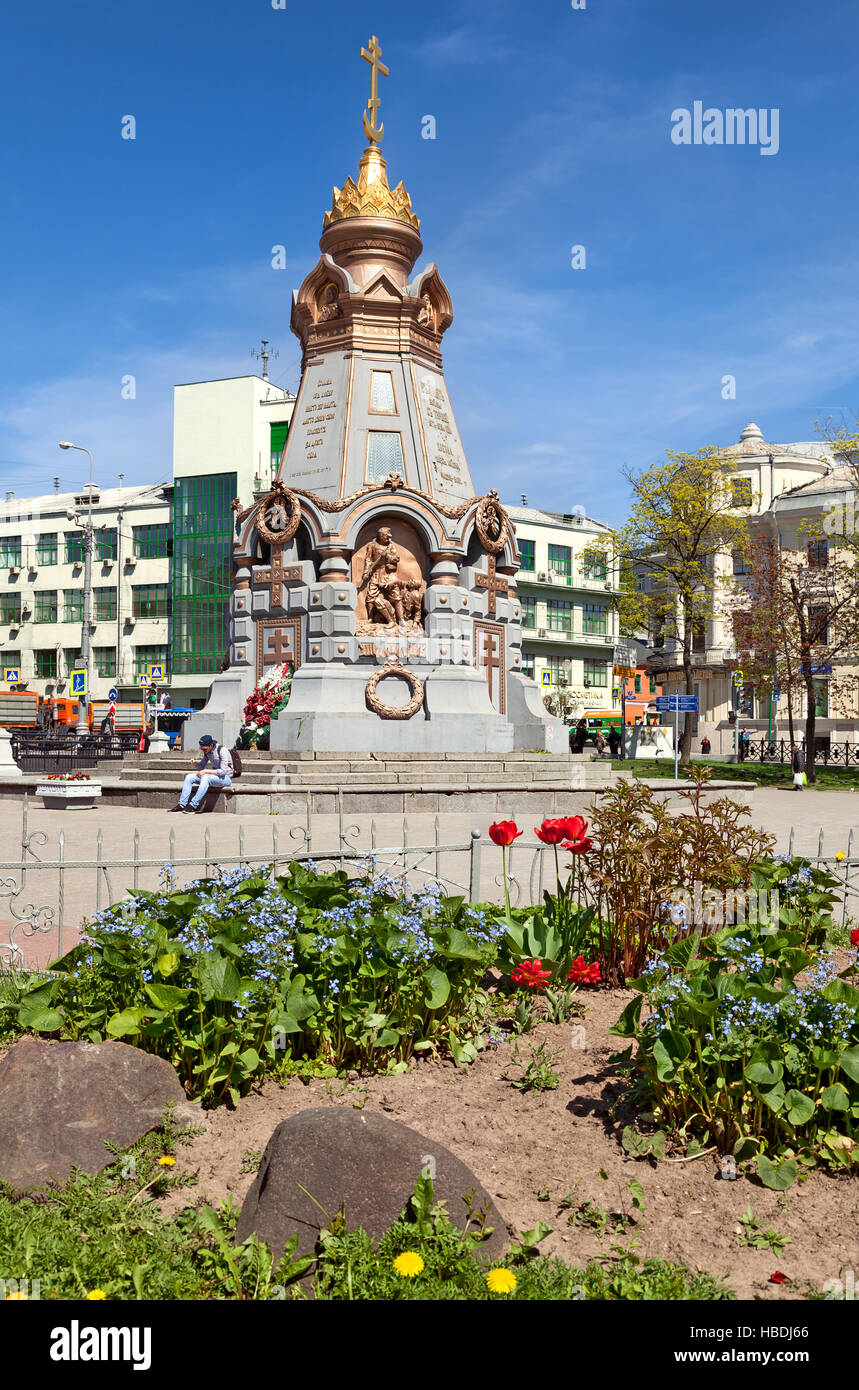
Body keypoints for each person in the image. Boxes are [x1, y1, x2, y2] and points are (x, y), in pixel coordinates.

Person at [171, 735, 234, 813]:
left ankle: (193, 805)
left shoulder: (222, 750)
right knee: (189, 777)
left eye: (204, 749)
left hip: (225, 778)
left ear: (211, 745)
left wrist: (205, 771)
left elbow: (223, 771)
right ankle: (182, 804)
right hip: (214, 777)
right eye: (201, 749)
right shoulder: (207, 752)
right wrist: (194, 763)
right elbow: (201, 767)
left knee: (206, 777)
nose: (203, 751)